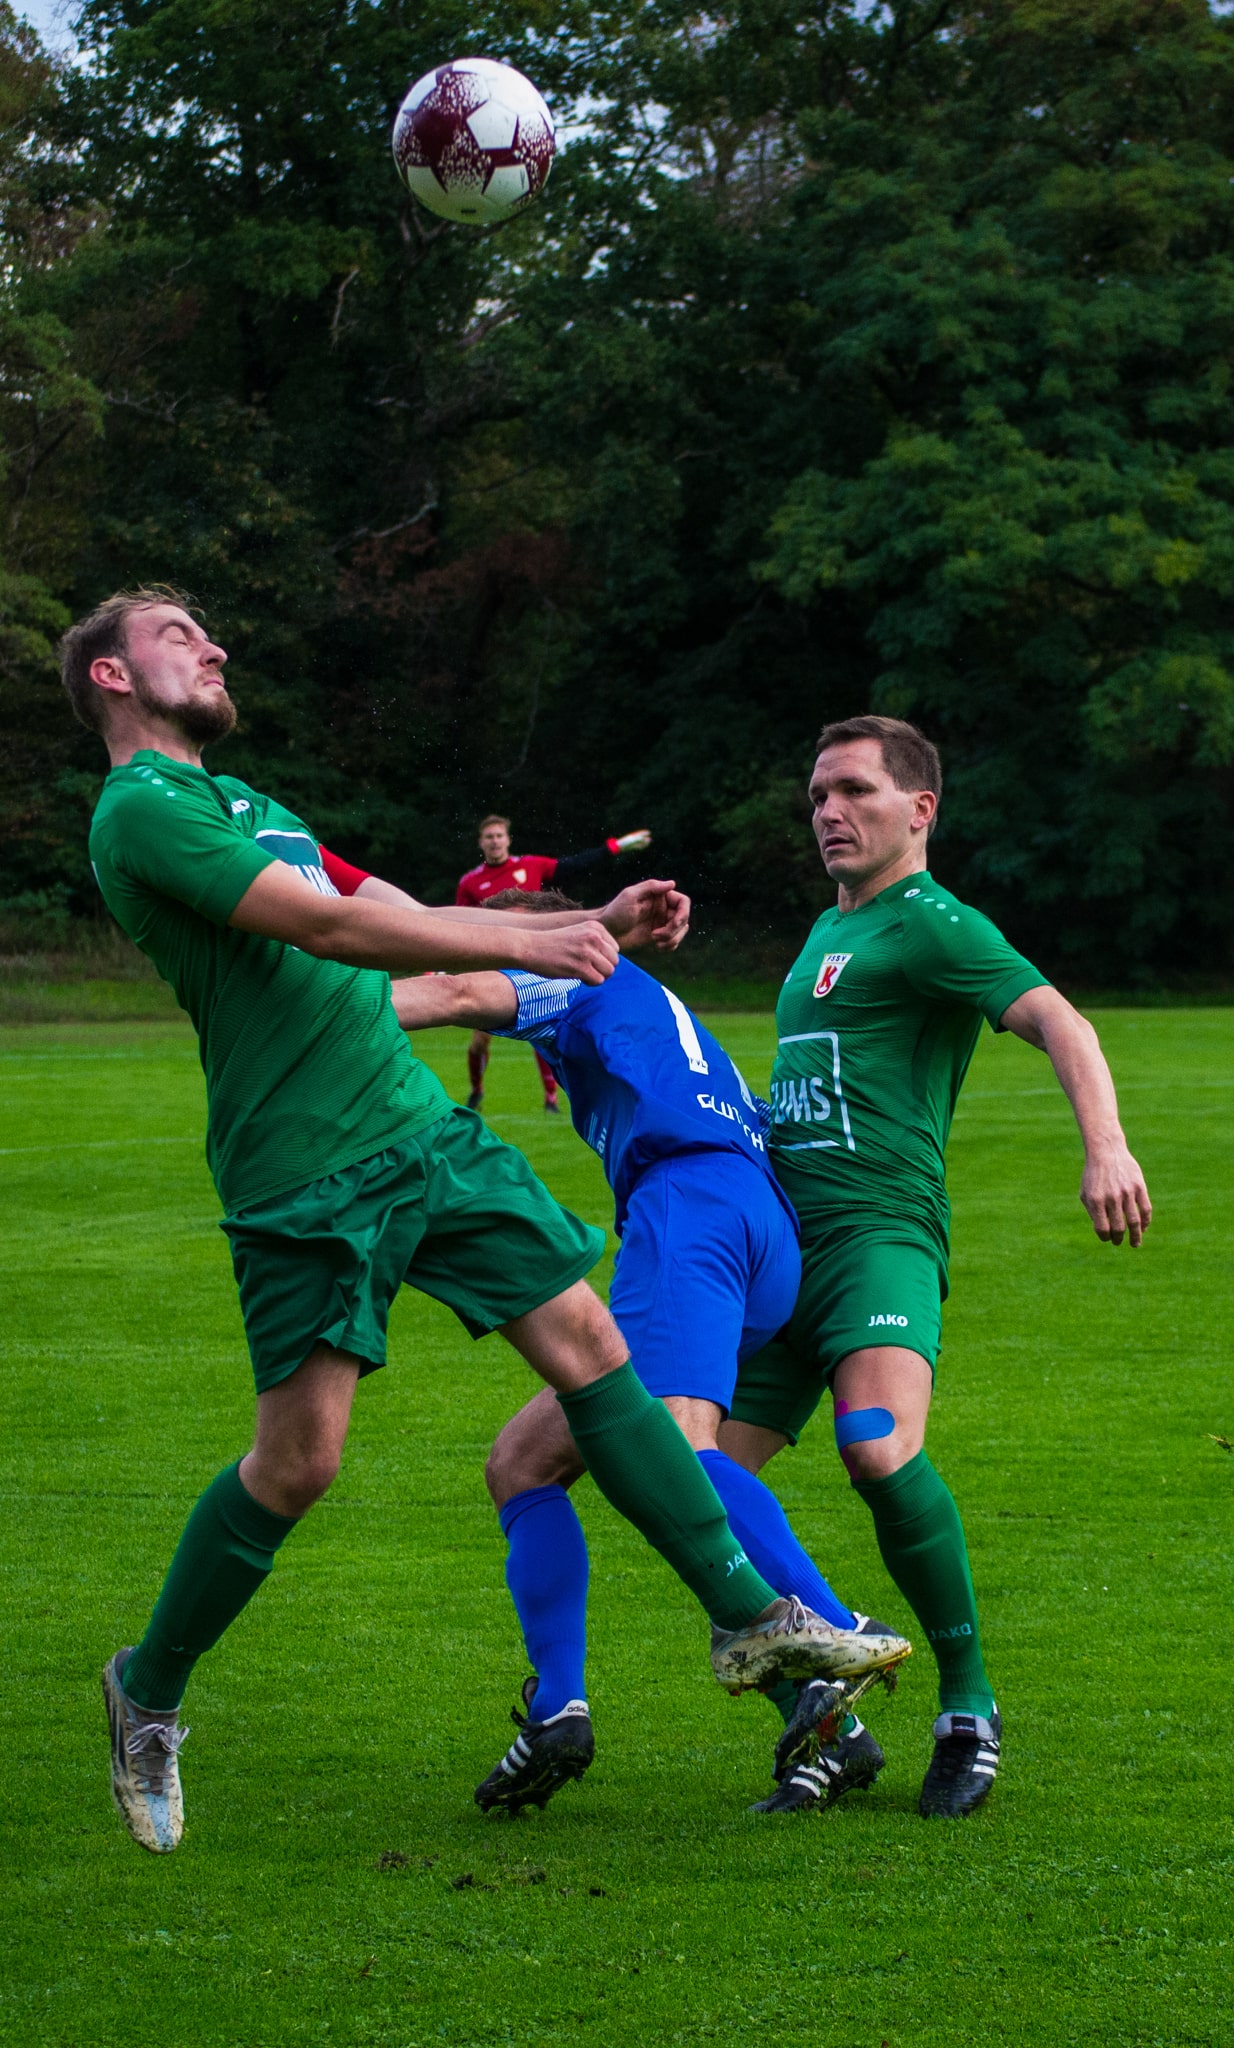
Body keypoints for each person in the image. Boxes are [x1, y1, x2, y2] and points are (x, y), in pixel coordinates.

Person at [67, 587, 895, 1856]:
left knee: (592, 1346)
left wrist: (587, 929)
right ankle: (149, 1687)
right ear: (112, 677)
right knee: (299, 1463)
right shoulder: (140, 810)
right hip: (304, 1166)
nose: (214, 644)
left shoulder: (250, 803)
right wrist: (544, 936)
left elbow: (402, 914)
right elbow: (336, 925)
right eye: (179, 634)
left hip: (421, 1131)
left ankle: (748, 1614)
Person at [716, 715, 1154, 1819]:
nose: (828, 811)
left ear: (919, 810)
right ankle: (825, 1717)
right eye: (817, 794)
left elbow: (1061, 1021)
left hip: (879, 1235)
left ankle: (968, 1704)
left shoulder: (934, 923)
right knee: (699, 1489)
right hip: (783, 1248)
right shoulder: (829, 928)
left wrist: (1105, 1147)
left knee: (876, 1444)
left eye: (854, 790)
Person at [388, 890, 908, 1816]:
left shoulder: (571, 970)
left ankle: (831, 1632)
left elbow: (457, 991)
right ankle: (566, 1711)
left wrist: (320, 1018)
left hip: (689, 1212)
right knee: (523, 1464)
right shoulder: (652, 999)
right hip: (756, 1223)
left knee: (675, 1455)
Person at [456, 816, 653, 1114]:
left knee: (543, 1025)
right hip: (493, 960)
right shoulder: (470, 883)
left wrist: (616, 847)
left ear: (508, 839)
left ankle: (551, 1098)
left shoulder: (531, 866)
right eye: (489, 837)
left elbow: (574, 866)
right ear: (480, 843)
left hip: (535, 956)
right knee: (480, 1039)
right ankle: (476, 1090)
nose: (495, 841)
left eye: (499, 835)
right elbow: (458, 926)